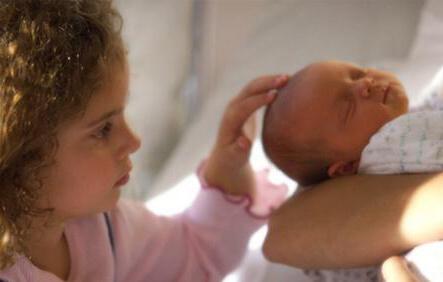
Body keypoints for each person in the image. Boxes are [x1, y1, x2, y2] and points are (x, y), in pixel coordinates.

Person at [0, 1, 289, 281]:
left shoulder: (102, 229)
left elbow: (195, 255)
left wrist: (228, 168)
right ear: (20, 154)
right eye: (103, 129)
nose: (134, 141)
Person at [262, 60, 443, 281]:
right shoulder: (388, 142)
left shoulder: (414, 117)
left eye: (358, 73)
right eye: (348, 108)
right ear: (346, 167)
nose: (366, 83)